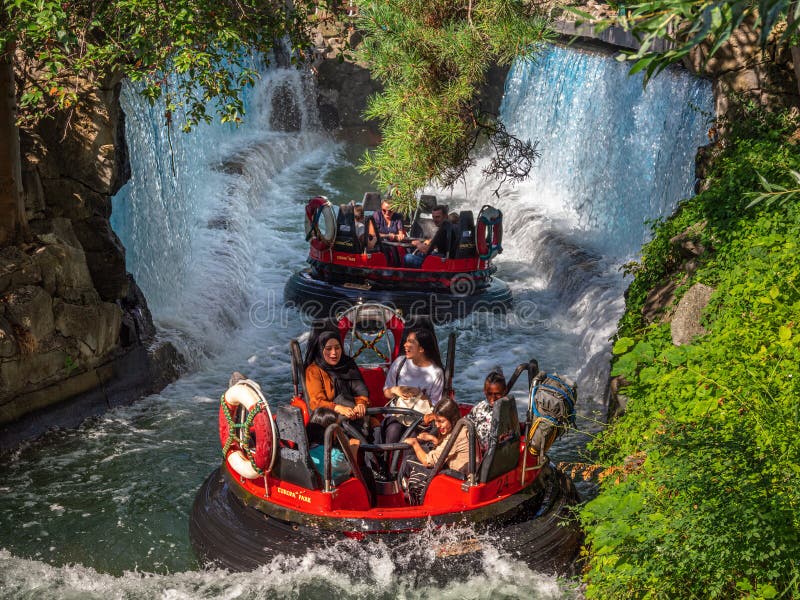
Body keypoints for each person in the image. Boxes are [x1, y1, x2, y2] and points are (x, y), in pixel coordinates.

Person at [380, 328, 445, 446]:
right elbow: (386, 392)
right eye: (406, 341)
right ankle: (386, 463)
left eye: (410, 342)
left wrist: (419, 394)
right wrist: (396, 390)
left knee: (413, 439)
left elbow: (436, 406)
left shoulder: (436, 372)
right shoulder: (399, 363)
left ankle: (408, 464)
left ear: (421, 349)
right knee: (393, 431)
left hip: (419, 420)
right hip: (396, 414)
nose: (405, 345)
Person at [401, 398, 470, 504]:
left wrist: (414, 443)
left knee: (408, 460)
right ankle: (408, 489)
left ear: (452, 419)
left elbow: (428, 461)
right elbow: (447, 450)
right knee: (421, 453)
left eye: (441, 421)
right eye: (436, 421)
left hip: (459, 479)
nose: (437, 425)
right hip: (457, 472)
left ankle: (406, 497)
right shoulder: (461, 427)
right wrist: (433, 439)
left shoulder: (457, 435)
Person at [304, 330, 370, 421]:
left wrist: (361, 404)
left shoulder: (348, 364)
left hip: (355, 413)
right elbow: (316, 402)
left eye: (337, 348)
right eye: (328, 349)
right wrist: (338, 408)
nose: (334, 352)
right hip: (329, 417)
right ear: (320, 350)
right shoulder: (313, 370)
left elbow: (361, 390)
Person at [307, 407, 354, 485]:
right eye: (337, 427)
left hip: (314, 486)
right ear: (330, 430)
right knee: (366, 472)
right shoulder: (334, 455)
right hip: (333, 487)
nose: (340, 430)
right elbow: (350, 471)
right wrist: (353, 448)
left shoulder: (302, 449)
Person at [466, 369, 508, 454]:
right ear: (485, 391)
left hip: (495, 455)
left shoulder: (508, 411)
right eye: (489, 394)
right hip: (476, 452)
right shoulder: (479, 408)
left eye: (497, 394)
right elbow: (465, 424)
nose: (493, 398)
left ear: (504, 391)